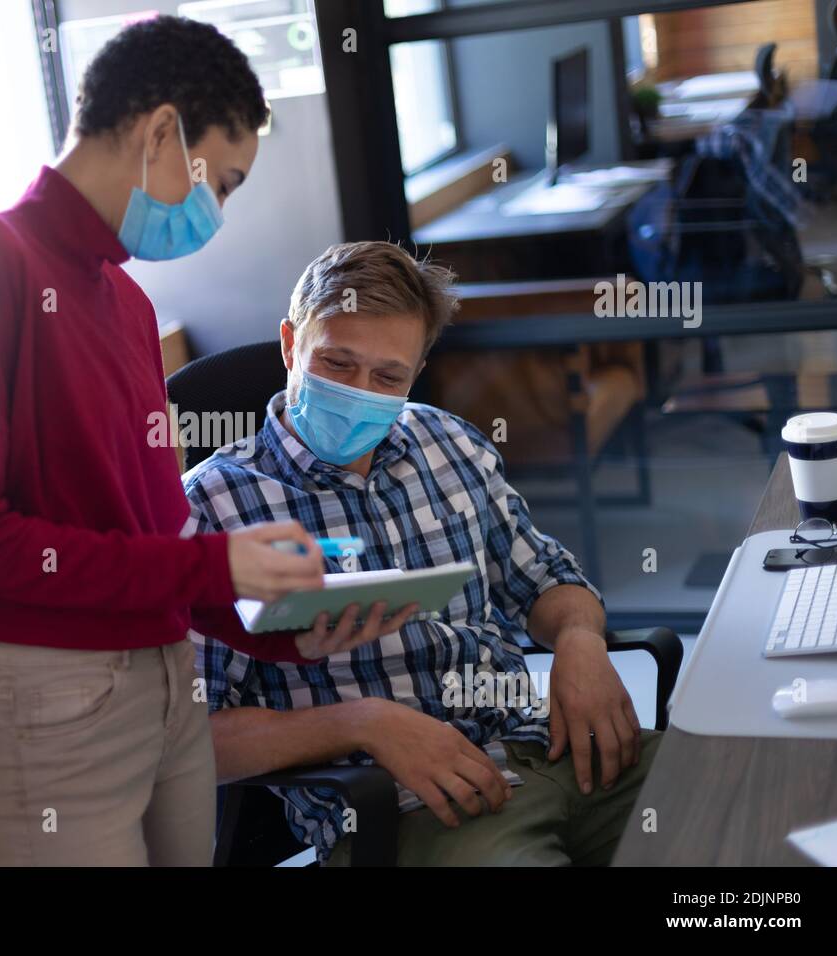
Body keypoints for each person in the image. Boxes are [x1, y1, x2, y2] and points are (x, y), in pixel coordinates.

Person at [0, 17, 414, 866]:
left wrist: (277, 629)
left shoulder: (125, 302)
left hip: (170, 685)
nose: (220, 213)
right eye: (224, 184)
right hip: (56, 705)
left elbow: (151, 550)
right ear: (162, 131)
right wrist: (215, 566)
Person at [185, 240, 661, 865]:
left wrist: (579, 642)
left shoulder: (447, 441)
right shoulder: (211, 506)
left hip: (549, 746)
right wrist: (362, 723)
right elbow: (190, 739)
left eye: (389, 377)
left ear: (418, 371)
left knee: (742, 798)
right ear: (289, 344)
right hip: (410, 808)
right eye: (336, 363)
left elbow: (543, 576)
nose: (361, 391)